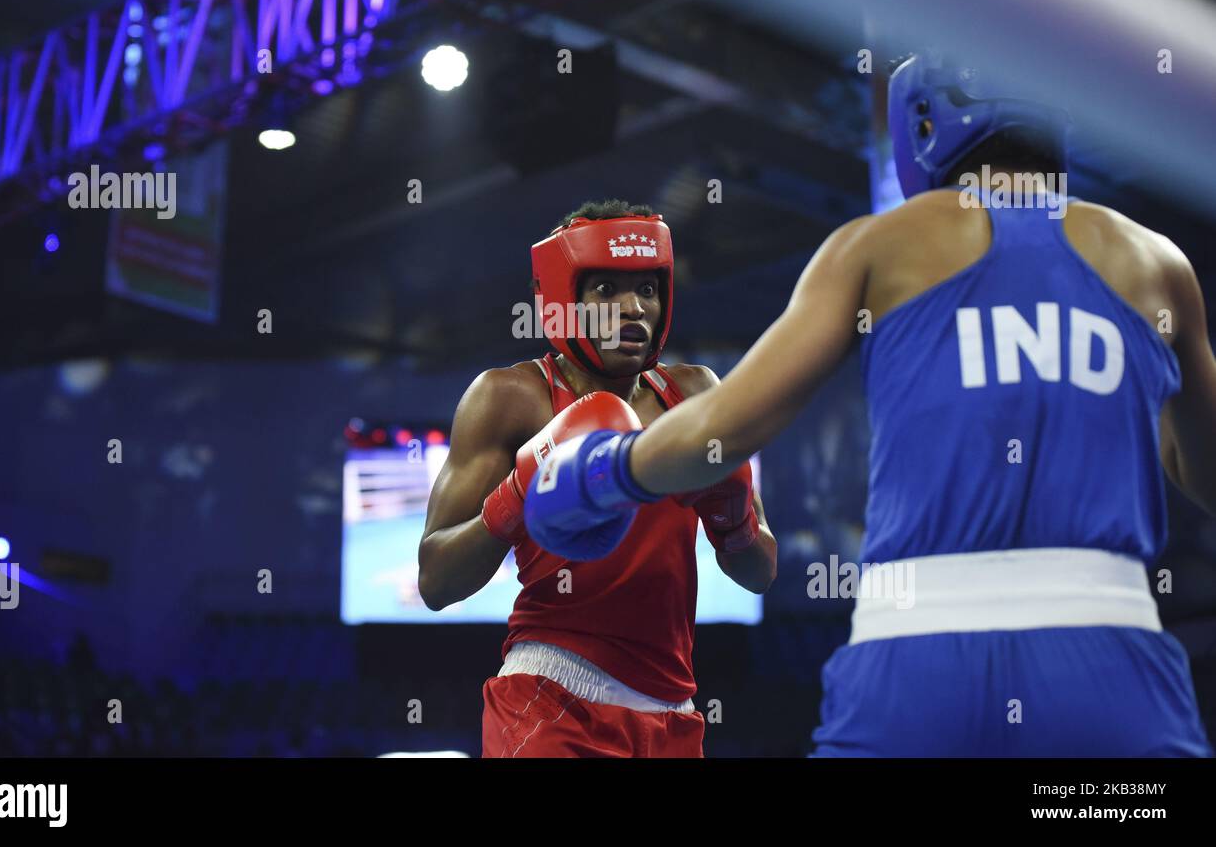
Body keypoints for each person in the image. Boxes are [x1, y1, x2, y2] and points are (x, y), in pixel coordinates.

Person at [524, 55, 1216, 756]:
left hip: (920, 656)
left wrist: (603, 472)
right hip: (1110, 657)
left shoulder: (881, 244)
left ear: (921, 126)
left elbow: (728, 426)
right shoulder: (1156, 263)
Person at [418, 199, 776, 757]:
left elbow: (761, 574)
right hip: (552, 696)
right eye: (606, 290)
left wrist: (735, 519)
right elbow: (436, 582)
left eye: (648, 290)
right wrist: (518, 493)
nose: (632, 307)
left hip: (674, 713)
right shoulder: (510, 398)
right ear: (565, 302)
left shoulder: (695, 395)